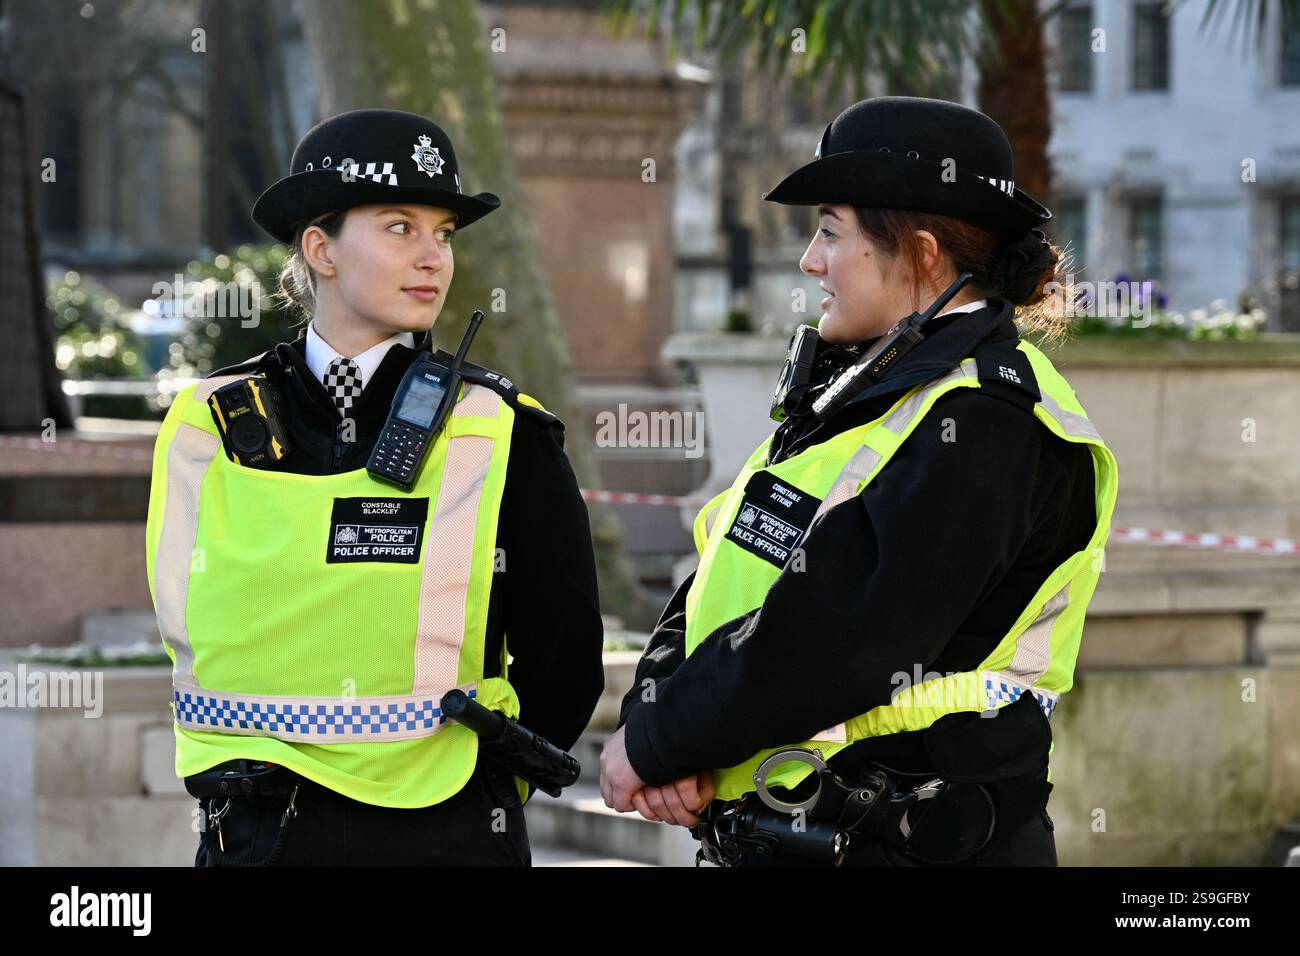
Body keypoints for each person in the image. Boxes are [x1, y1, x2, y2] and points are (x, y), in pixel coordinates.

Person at [599, 96, 1119, 866]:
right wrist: (657, 712)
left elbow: (842, 633)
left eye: (831, 233)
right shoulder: (865, 390)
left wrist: (659, 740)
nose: (811, 260)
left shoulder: (987, 418)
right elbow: (725, 572)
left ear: (923, 252)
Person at [145, 108, 604, 866]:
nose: (433, 258)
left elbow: (566, 662)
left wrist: (483, 790)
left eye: (445, 234)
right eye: (400, 227)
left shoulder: (502, 429)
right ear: (320, 249)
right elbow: (182, 626)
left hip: (446, 835)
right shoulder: (208, 422)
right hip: (260, 835)